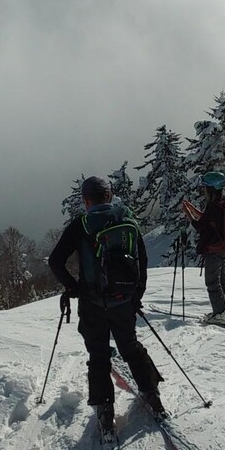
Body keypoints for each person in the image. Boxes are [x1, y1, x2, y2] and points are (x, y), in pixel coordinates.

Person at [47, 175, 164, 432]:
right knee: (130, 347)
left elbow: (55, 261)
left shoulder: (81, 225)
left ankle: (104, 409)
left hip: (92, 303)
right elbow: (141, 262)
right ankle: (152, 394)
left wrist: (74, 287)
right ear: (109, 196)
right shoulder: (126, 219)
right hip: (123, 301)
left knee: (98, 355)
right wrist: (136, 296)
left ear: (85, 200)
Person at [181, 171, 225, 326]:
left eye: (205, 187)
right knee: (222, 280)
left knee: (212, 282)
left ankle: (220, 314)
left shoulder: (213, 207)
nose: (204, 190)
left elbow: (200, 226)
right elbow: (208, 221)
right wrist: (194, 210)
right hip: (223, 247)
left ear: (211, 189)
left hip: (214, 248)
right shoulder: (223, 203)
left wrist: (188, 215)